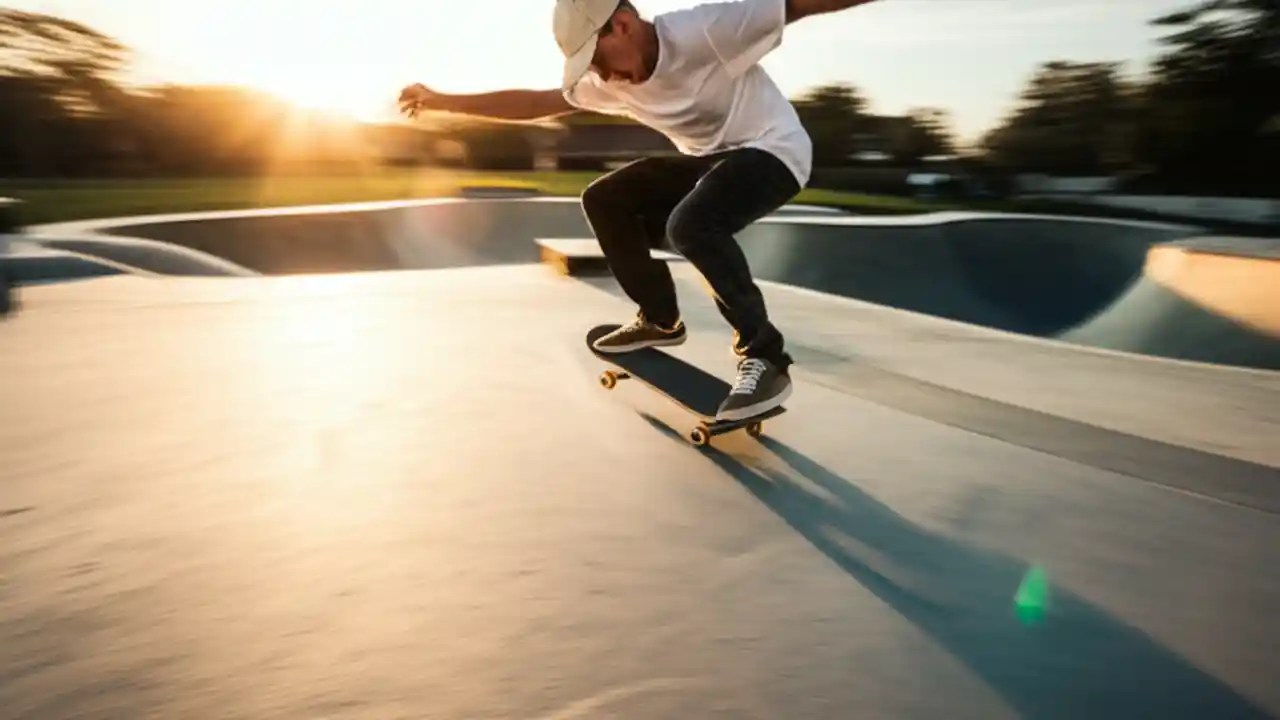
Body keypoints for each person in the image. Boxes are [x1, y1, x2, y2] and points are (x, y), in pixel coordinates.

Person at [400, 0, 876, 421]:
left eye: (598, 60)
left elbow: (802, 3)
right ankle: (660, 318)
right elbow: (535, 102)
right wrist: (443, 100)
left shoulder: (706, 30)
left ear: (622, 26)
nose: (601, 77)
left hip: (776, 152)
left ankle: (765, 358)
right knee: (605, 199)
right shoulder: (604, 83)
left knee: (690, 225)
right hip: (711, 163)